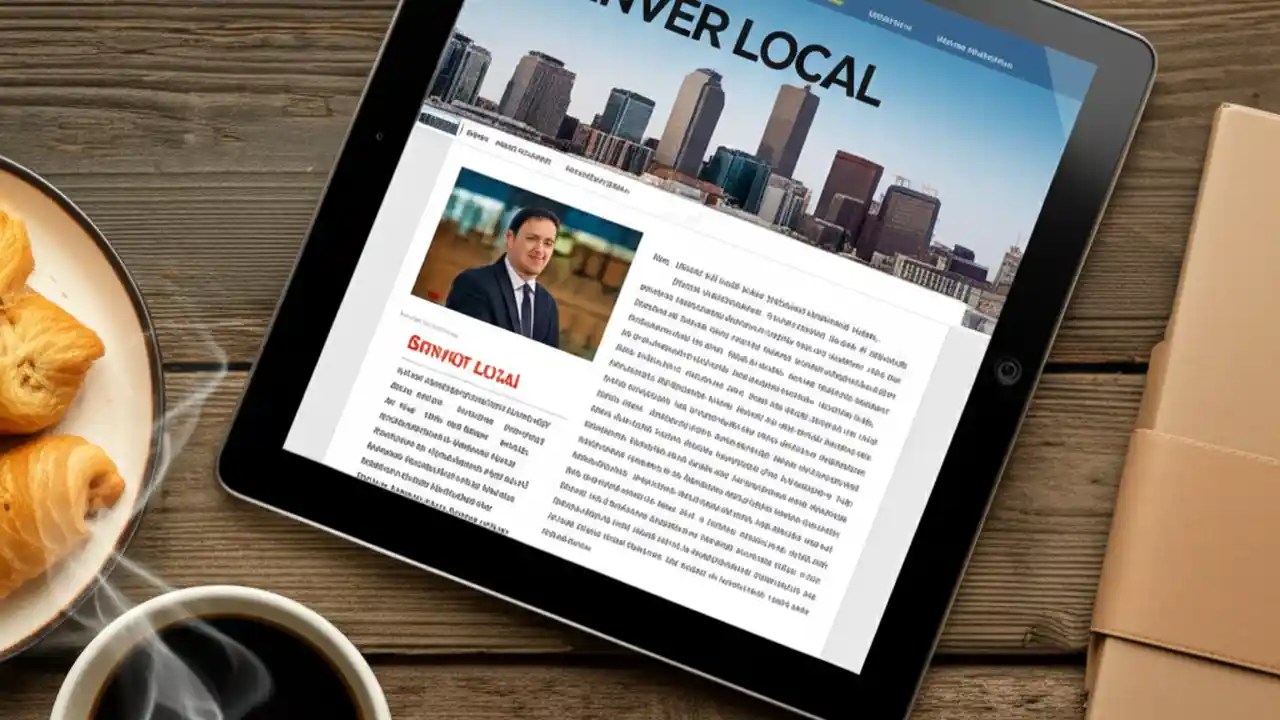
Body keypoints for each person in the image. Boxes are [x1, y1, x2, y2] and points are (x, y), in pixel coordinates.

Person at [445, 207, 561, 349]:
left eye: (548, 243)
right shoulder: (473, 283)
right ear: (510, 239)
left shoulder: (548, 304)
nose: (540, 249)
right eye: (532, 239)